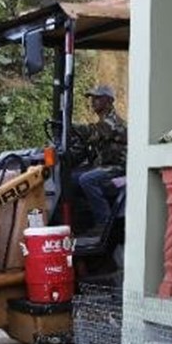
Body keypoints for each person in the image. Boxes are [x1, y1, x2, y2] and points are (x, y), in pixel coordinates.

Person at [71, 85, 128, 238]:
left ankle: (104, 223)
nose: (93, 101)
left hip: (118, 167)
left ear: (109, 101)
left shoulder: (113, 122)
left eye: (97, 98)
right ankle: (77, 223)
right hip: (104, 165)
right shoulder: (102, 122)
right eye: (92, 98)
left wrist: (68, 126)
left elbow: (92, 132)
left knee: (86, 180)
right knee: (68, 177)